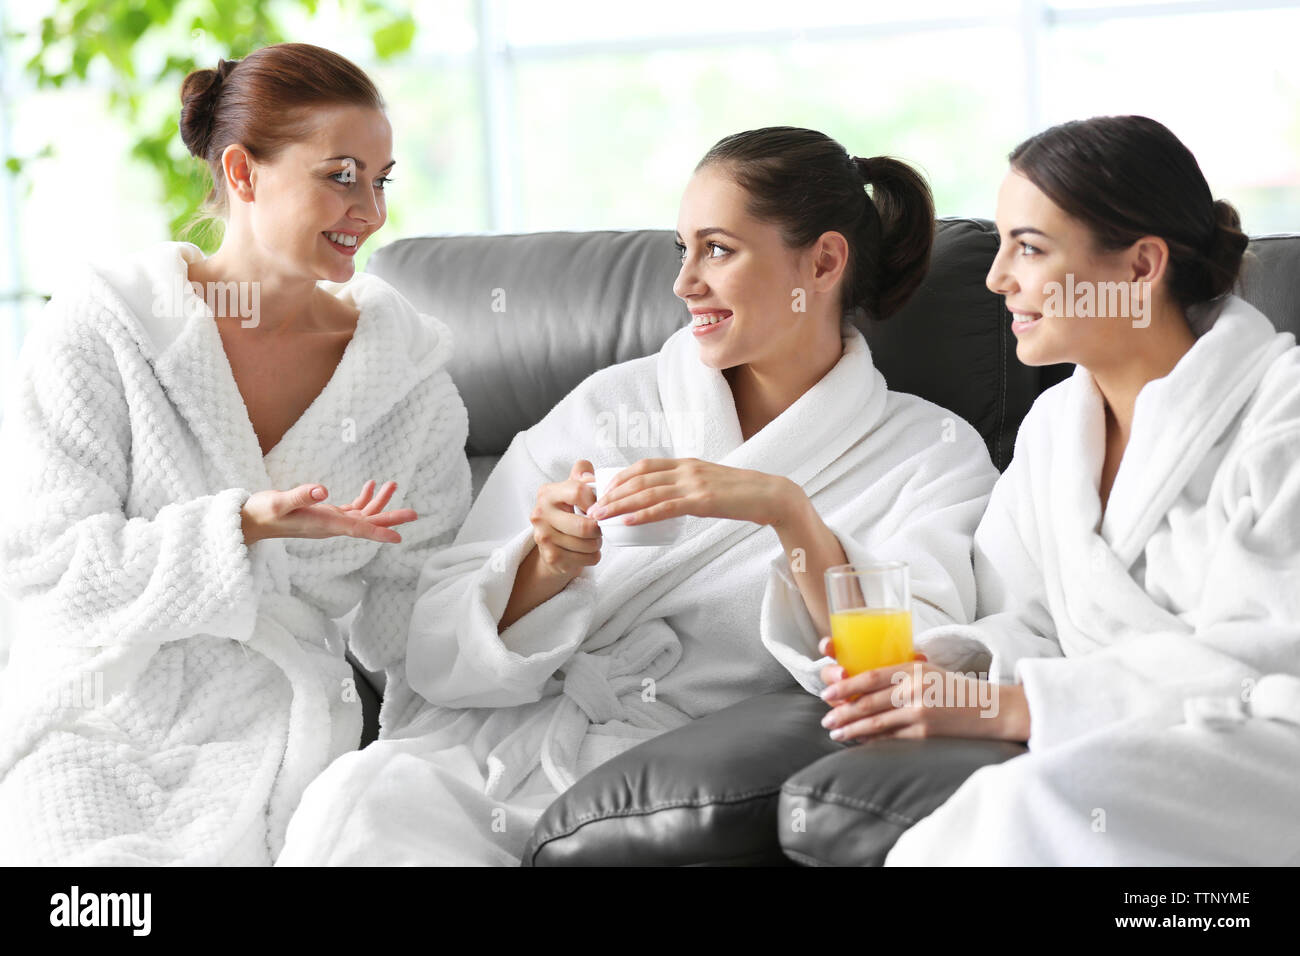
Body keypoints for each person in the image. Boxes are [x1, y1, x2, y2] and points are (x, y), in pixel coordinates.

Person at [275, 126, 1001, 866]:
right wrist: (546, 566)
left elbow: (906, 677)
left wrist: (786, 512)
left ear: (822, 261)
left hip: (666, 789)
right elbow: (431, 650)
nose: (685, 283)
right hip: (487, 755)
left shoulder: (928, 457)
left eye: (718, 249)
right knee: (362, 804)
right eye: (681, 251)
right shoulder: (611, 405)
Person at [0, 43, 471, 864]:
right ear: (243, 174)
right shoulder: (107, 332)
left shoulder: (405, 381)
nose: (372, 210)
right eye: (341, 174)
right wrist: (240, 528)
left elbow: (413, 622)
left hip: (277, 726)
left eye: (382, 179)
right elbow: (46, 575)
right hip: (97, 712)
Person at [816, 115, 1300, 865]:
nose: (996, 276)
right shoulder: (1054, 430)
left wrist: (1012, 704)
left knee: (1025, 801)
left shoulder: (1282, 410)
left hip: (1272, 744)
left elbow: (1273, 652)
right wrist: (947, 670)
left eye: (1029, 248)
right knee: (1012, 804)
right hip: (1127, 736)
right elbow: (1030, 622)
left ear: (1141, 269)